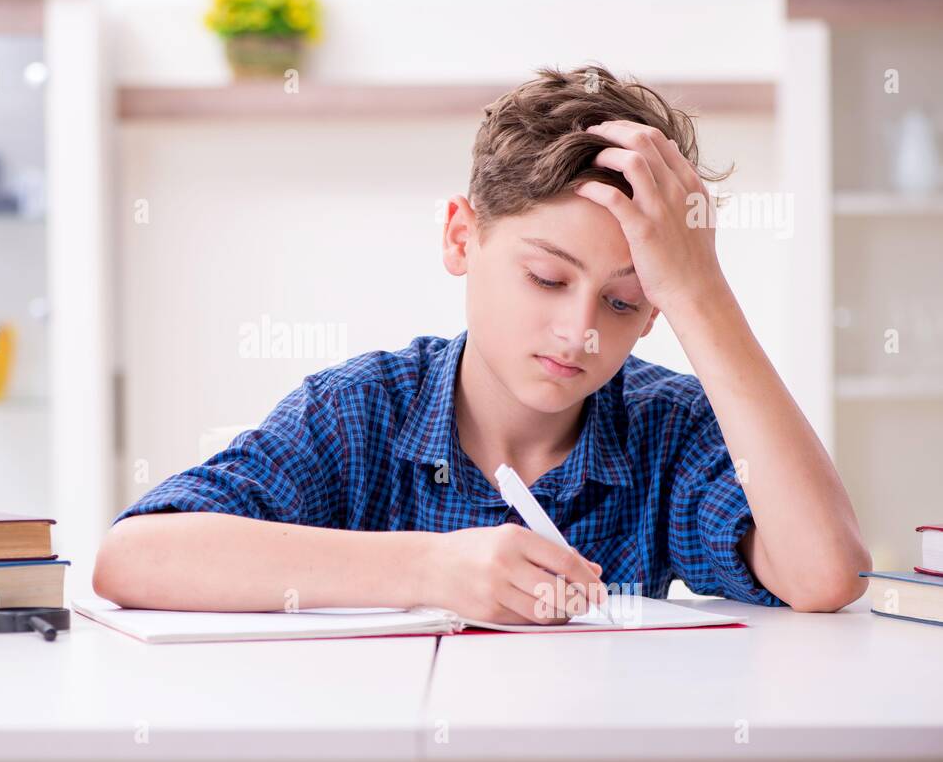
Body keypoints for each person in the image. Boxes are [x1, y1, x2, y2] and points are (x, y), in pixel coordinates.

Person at [94, 64, 869, 624]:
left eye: (626, 299)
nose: (579, 330)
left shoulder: (667, 431)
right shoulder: (362, 413)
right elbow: (134, 557)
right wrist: (431, 567)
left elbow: (825, 571)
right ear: (462, 236)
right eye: (544, 277)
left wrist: (702, 292)